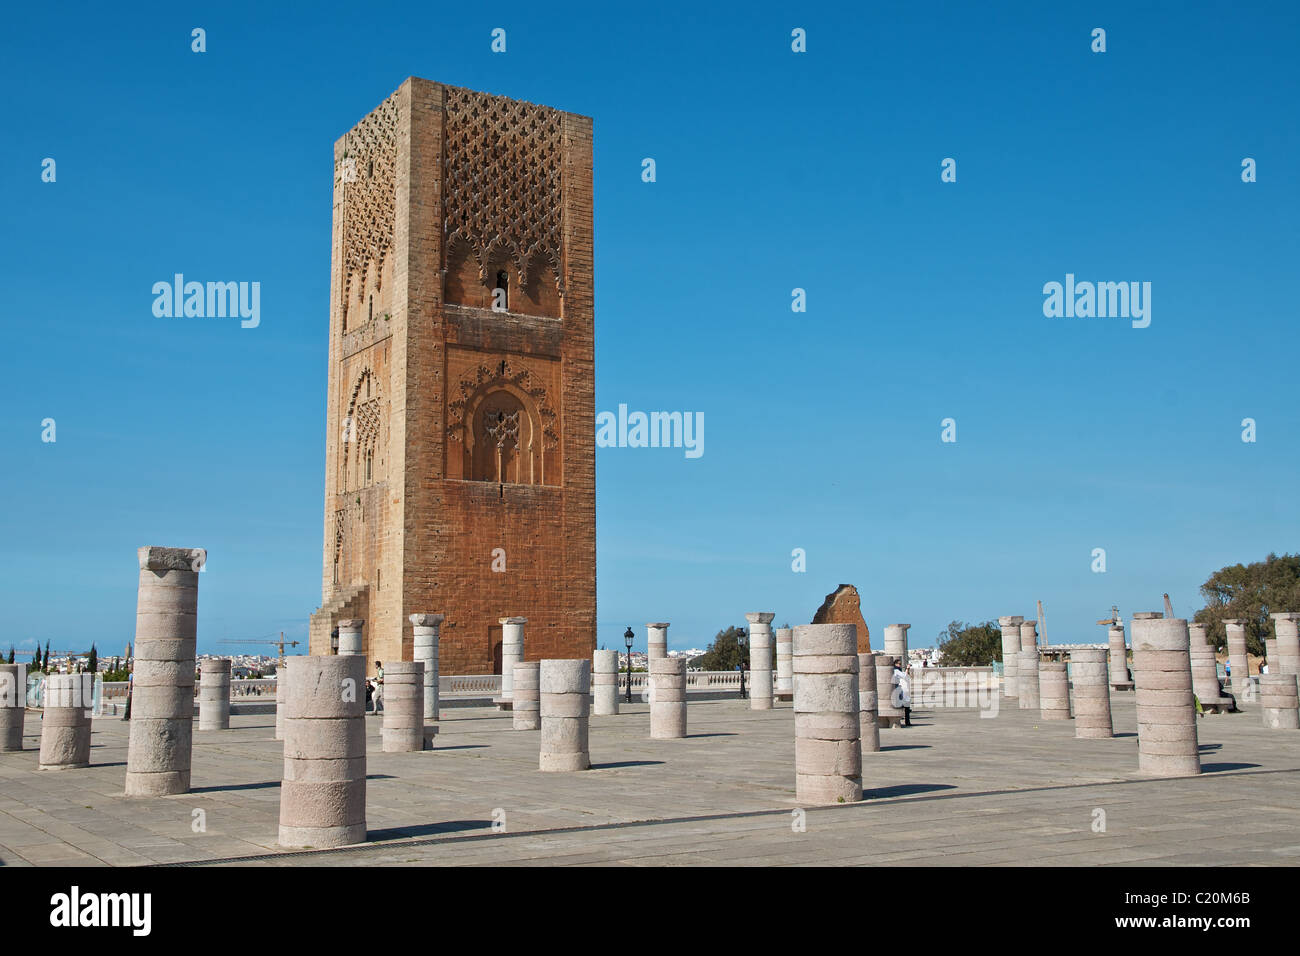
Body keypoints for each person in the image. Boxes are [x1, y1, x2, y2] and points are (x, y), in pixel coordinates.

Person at [892, 657, 912, 727]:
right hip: (897, 691)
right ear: (895, 664)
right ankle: (907, 721)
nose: (900, 665)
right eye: (899, 664)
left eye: (901, 664)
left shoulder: (895, 670)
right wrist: (908, 668)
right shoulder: (896, 671)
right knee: (906, 704)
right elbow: (905, 676)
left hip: (897, 690)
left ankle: (906, 715)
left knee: (905, 703)